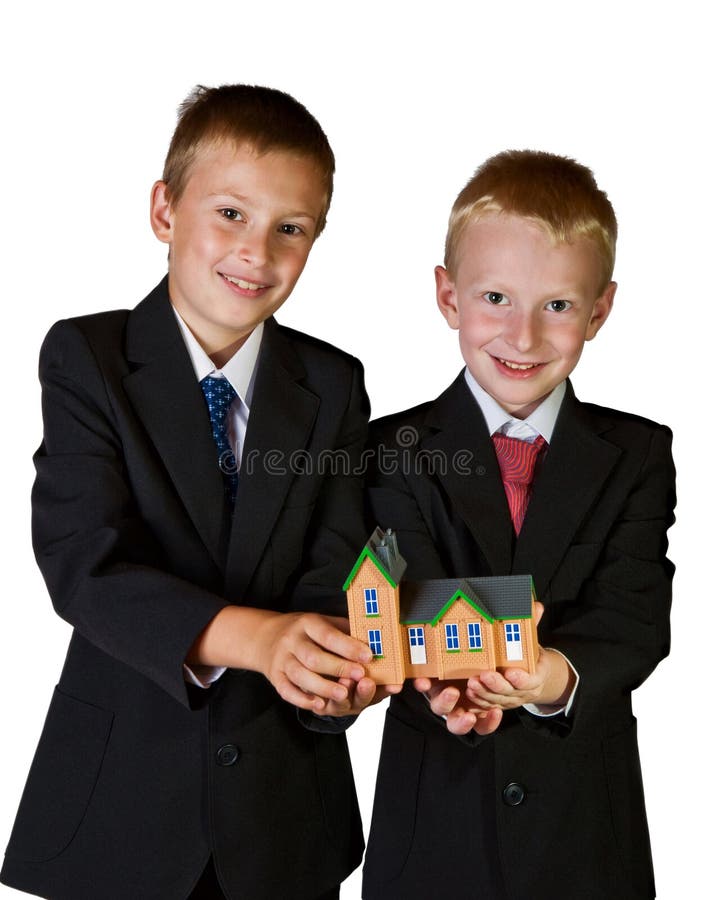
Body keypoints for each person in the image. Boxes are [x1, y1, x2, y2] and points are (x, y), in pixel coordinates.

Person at [0, 84, 383, 900]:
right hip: (120, 808)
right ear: (164, 209)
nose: (258, 251)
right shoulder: (87, 358)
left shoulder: (333, 385)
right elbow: (84, 564)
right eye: (232, 214)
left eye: (292, 228)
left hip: (286, 812)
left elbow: (339, 568)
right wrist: (261, 641)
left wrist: (332, 675)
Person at [362, 150, 675, 900]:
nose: (524, 336)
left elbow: (634, 617)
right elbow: (401, 594)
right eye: (496, 297)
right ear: (448, 296)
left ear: (599, 310)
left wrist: (551, 677)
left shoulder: (637, 453)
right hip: (433, 828)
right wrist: (442, 681)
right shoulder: (387, 449)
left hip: (586, 840)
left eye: (558, 306)